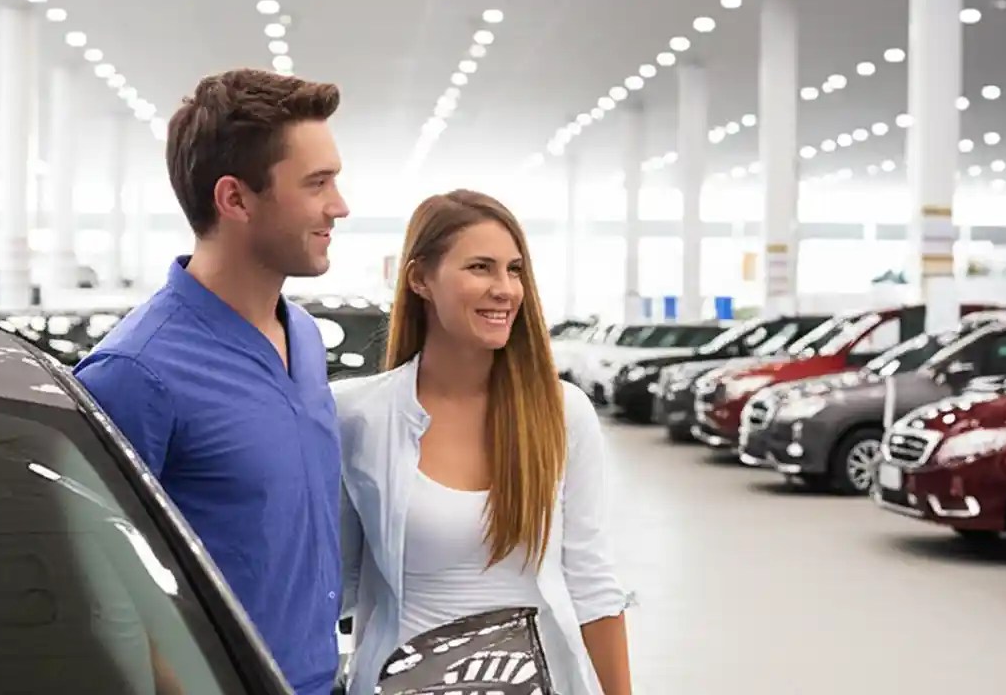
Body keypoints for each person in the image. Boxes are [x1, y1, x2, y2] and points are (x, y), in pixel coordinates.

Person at [74, 68, 350, 695]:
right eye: (318, 183)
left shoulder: (302, 336)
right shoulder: (136, 373)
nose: (340, 204)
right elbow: (104, 597)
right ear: (236, 199)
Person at [333, 190, 633, 695]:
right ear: (420, 279)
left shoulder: (562, 413)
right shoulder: (358, 416)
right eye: (480, 267)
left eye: (514, 270)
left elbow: (592, 584)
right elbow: (332, 586)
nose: (505, 289)